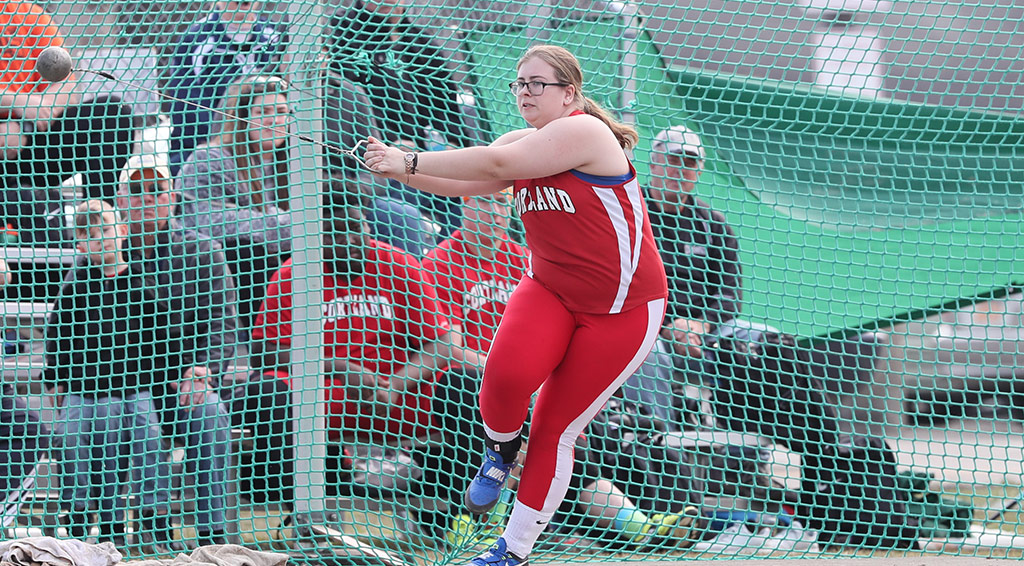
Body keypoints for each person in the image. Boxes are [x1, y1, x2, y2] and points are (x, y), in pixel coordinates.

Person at [362, 44, 669, 566]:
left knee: (553, 427)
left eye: (537, 83)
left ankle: (514, 550)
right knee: (502, 380)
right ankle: (501, 451)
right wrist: (399, 172)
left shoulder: (585, 132)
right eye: (519, 83)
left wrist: (409, 158)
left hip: (621, 310)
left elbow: (500, 162)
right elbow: (471, 178)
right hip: (550, 289)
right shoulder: (520, 141)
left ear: (569, 93)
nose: (524, 91)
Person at [422, 193, 699, 552]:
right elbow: (450, 348)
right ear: (463, 205)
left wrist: (540, 381)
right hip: (469, 383)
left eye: (501, 204)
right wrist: (522, 380)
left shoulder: (526, 257)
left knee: (574, 428)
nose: (493, 211)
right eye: (484, 202)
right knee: (485, 400)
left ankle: (643, 530)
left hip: (537, 382)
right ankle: (471, 526)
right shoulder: (440, 261)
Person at [250, 202, 485, 449]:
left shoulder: (397, 263)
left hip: (400, 394)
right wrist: (340, 368)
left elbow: (443, 342)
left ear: (367, 225)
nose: (350, 240)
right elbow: (263, 353)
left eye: (356, 227)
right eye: (336, 233)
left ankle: (476, 486)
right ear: (317, 238)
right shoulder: (295, 273)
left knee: (469, 385)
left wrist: (395, 385)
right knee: (267, 393)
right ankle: (297, 486)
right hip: (326, 393)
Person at [43, 199, 181, 553]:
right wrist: (55, 379)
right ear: (78, 245)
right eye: (87, 236)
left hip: (133, 387)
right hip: (83, 389)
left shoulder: (141, 285)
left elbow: (162, 336)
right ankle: (85, 518)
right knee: (70, 438)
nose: (98, 241)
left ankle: (154, 519)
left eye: (104, 231)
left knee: (149, 439)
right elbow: (58, 335)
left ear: (120, 231)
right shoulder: (75, 290)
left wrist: (167, 375)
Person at [114, 154, 237, 547]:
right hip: (122, 383)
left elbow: (223, 323)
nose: (147, 197)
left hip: (182, 381)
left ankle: (212, 538)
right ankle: (151, 527)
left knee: (212, 415)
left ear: (173, 197)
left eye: (156, 189)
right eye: (136, 190)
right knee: (125, 416)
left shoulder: (204, 251)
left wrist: (203, 370)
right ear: (119, 199)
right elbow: (71, 323)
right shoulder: (100, 253)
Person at [619, 125, 741, 423]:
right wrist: (667, 326)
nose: (681, 170)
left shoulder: (713, 224)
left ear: (699, 171)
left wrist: (702, 325)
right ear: (654, 162)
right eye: (674, 160)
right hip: (645, 326)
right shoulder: (629, 211)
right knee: (648, 354)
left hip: (703, 332)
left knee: (763, 344)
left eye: (690, 163)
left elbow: (730, 295)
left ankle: (747, 452)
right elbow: (620, 284)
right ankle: (663, 449)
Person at [324, 0, 468, 237]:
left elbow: (446, 107)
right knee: (406, 213)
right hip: (366, 163)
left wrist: (455, 144)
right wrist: (390, 143)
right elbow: (341, 102)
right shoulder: (343, 32)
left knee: (468, 200)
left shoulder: (418, 42)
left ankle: (445, 269)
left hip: (418, 158)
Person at [176, 74, 293, 333]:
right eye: (263, 111)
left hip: (280, 255)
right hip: (222, 267)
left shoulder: (296, 162)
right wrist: (284, 222)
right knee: (249, 251)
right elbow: (205, 223)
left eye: (282, 111)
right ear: (242, 116)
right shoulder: (209, 158)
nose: (274, 119)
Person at [0, 1, 135, 220]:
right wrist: (16, 101)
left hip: (28, 138)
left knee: (112, 113)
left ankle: (96, 224)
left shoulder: (27, 14)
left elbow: (65, 82)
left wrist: (28, 122)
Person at [164, 0, 285, 175]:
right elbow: (187, 109)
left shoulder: (274, 36)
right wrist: (228, 140)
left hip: (268, 146)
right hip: (212, 144)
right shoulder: (196, 39)